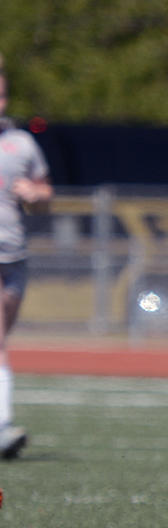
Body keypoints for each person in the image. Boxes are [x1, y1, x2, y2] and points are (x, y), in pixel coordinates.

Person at [0, 69, 51, 460]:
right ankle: (2, 425)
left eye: (2, 95)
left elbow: (45, 191)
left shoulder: (22, 144)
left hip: (13, 256)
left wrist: (35, 194)